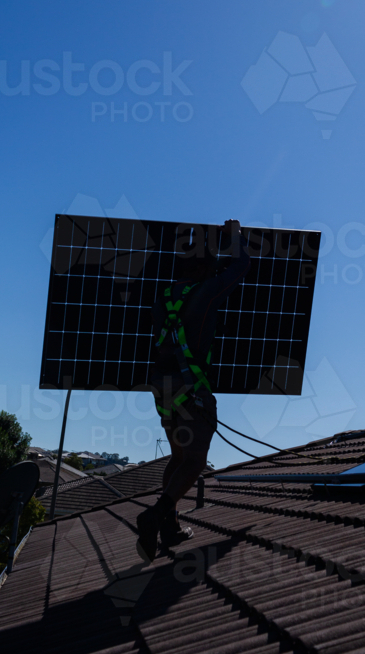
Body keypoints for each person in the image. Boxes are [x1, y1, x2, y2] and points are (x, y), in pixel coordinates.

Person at [136, 219, 250, 562]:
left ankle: (169, 527)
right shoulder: (205, 292)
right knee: (196, 459)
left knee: (179, 457)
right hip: (190, 387)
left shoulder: (164, 296)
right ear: (205, 268)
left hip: (162, 386)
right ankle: (155, 515)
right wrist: (235, 238)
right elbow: (240, 267)